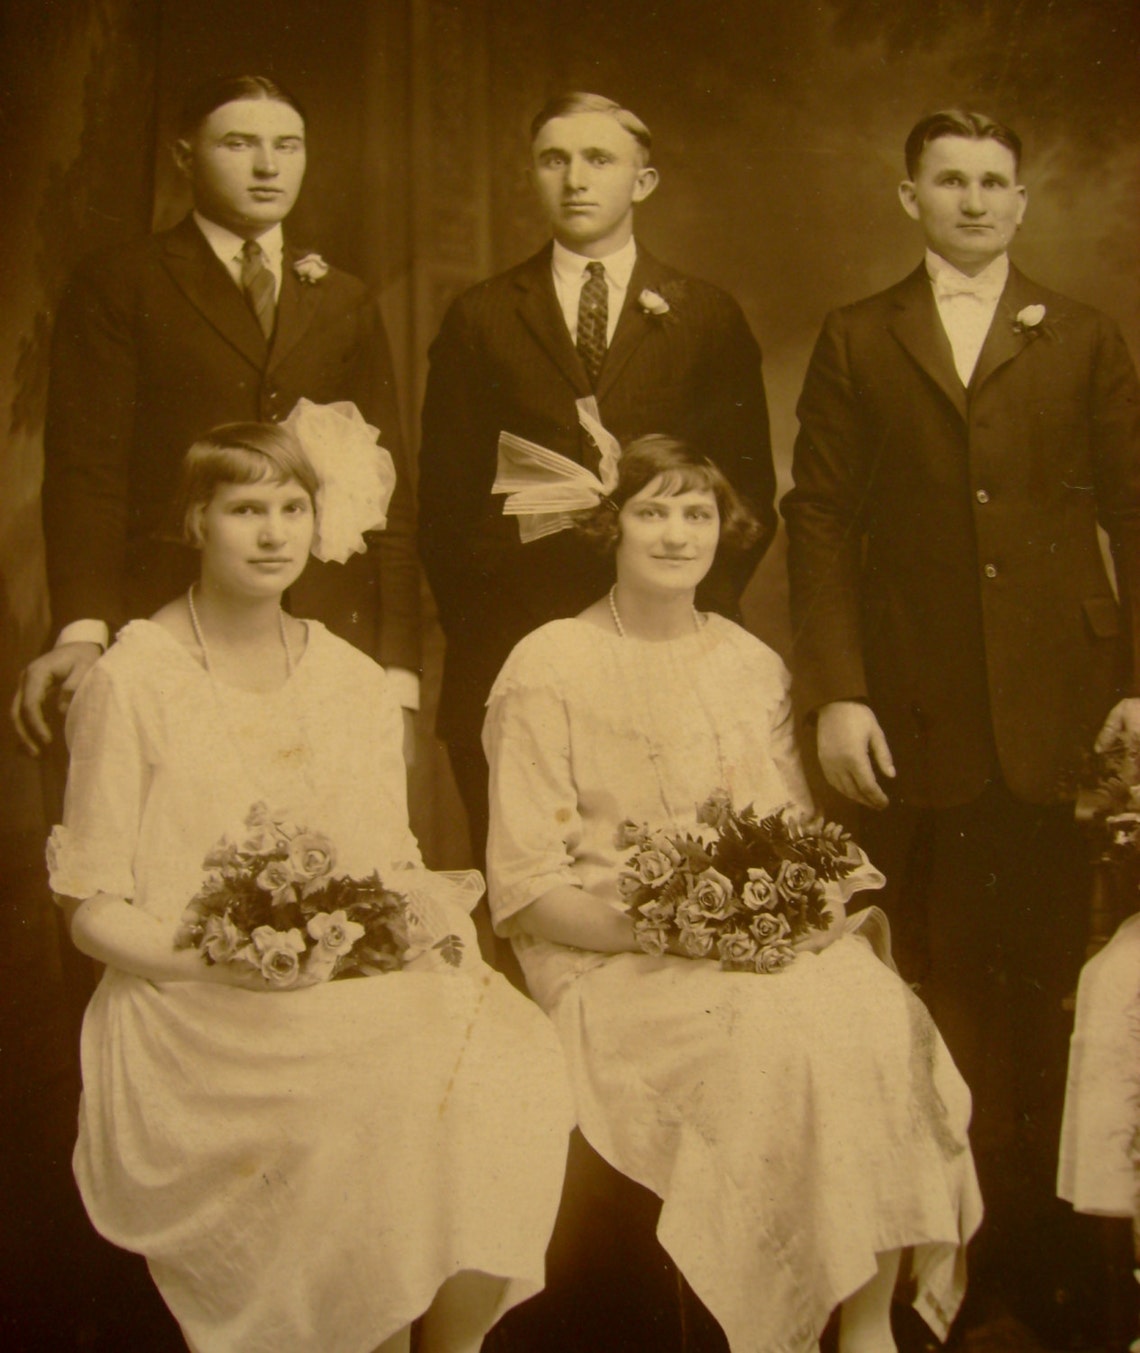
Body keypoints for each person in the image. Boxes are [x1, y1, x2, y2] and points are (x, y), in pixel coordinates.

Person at [46, 412, 572, 1353]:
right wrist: (215, 961)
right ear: (195, 521)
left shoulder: (351, 679)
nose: (274, 533)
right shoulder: (134, 679)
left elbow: (389, 864)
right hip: (192, 1001)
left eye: (293, 508)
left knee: (509, 1054)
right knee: (368, 1091)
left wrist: (424, 939)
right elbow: (88, 906)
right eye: (245, 509)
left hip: (338, 976)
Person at [484, 436, 982, 1351]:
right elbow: (527, 889)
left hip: (751, 948)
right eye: (653, 512)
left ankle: (866, 1325)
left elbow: (799, 836)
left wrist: (790, 919)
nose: (677, 535)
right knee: (768, 1041)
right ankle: (775, 1326)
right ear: (611, 526)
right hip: (613, 956)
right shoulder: (548, 663)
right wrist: (671, 933)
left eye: (698, 513)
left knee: (869, 1011)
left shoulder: (750, 662)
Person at [782, 109, 1140, 1332]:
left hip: (1059, 720)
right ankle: (928, 1284)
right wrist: (838, 690)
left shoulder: (1084, 335)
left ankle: (1036, 1286)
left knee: (1043, 1001)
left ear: (1022, 202)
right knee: (925, 1001)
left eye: (994, 182)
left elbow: (1136, 508)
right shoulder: (858, 335)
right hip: (911, 717)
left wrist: (1135, 682)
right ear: (910, 197)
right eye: (950, 180)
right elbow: (819, 517)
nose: (975, 201)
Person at [12, 73, 420, 760]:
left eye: (287, 145)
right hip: (167, 618)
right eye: (238, 144)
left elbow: (390, 502)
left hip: (323, 633)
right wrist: (84, 629)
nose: (267, 166)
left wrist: (397, 676)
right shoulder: (121, 283)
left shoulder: (343, 298)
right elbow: (88, 473)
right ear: (184, 156)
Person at [419, 92, 775, 861]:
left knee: (683, 875)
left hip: (669, 651)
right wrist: (497, 627)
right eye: (554, 160)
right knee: (529, 878)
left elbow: (749, 498)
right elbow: (443, 510)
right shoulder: (480, 315)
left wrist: (680, 621)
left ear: (643, 182)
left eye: (598, 159)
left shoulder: (706, 315)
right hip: (514, 638)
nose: (575, 179)